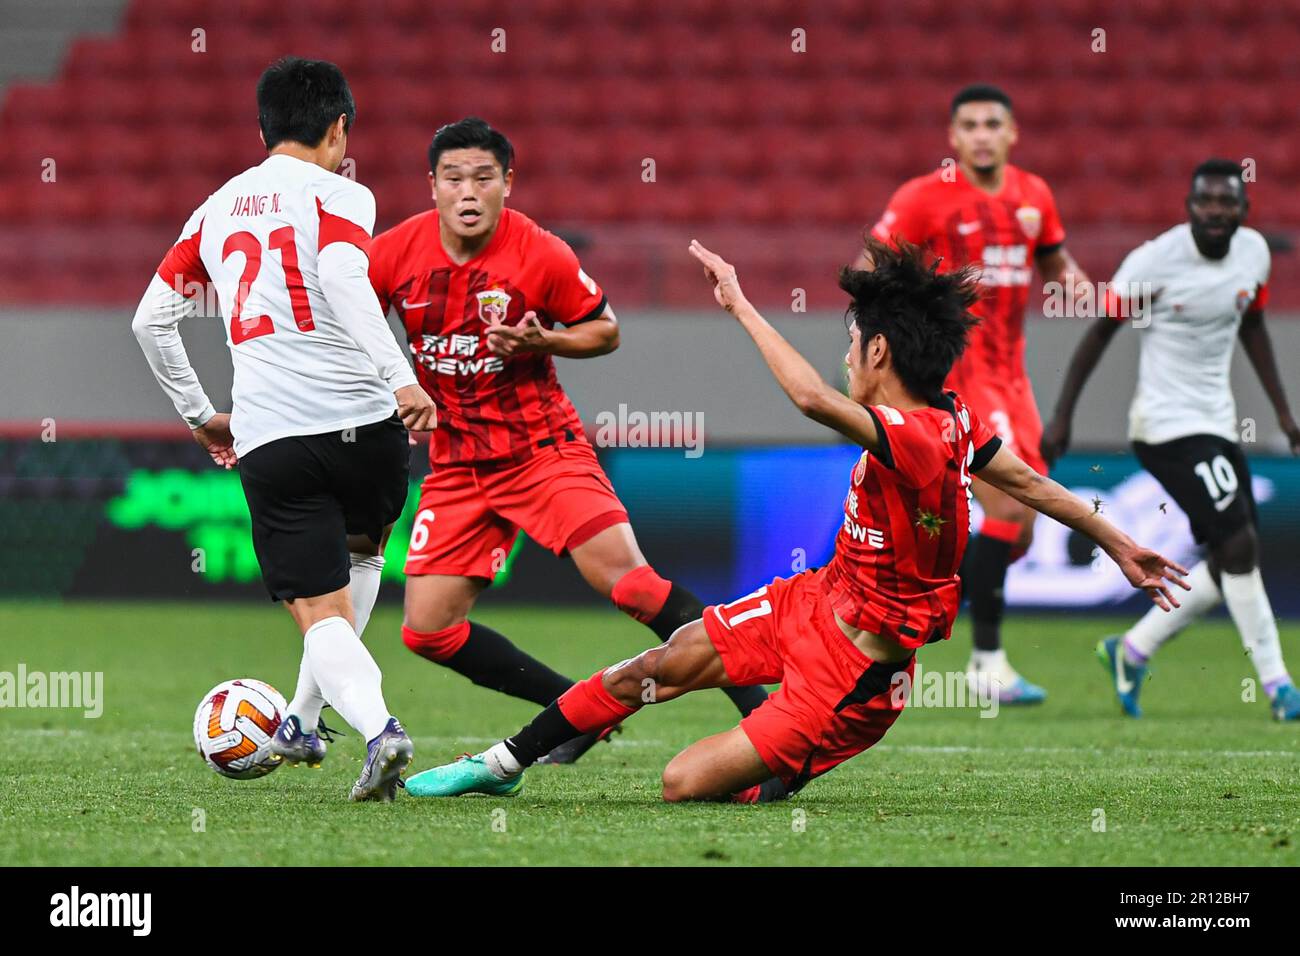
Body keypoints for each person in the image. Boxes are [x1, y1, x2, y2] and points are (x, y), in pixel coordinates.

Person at [402, 238, 1187, 802]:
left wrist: (740, 303)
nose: (846, 355)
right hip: (812, 602)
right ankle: (499, 765)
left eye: (852, 342)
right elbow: (1032, 483)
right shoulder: (954, 420)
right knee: (661, 663)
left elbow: (813, 399)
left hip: (851, 681)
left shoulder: (915, 434)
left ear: (878, 353)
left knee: (683, 784)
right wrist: (1120, 541)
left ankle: (788, 767)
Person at [364, 118, 768, 764]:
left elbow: (604, 331)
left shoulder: (540, 253)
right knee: (427, 630)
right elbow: (350, 318)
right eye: (453, 178)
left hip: (541, 451)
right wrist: (392, 385)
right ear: (432, 186)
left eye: (483, 178)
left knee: (635, 588)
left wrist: (544, 340)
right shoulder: (394, 253)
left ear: (508, 183)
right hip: (458, 463)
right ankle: (575, 712)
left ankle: (762, 709)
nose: (468, 193)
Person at [131, 57, 436, 801]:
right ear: (338, 128)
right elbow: (340, 274)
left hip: (278, 437)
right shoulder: (343, 194)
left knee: (318, 614)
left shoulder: (215, 211)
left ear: (262, 127)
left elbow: (150, 321)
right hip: (369, 428)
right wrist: (400, 379)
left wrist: (203, 416)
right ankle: (300, 720)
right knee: (362, 563)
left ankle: (381, 731)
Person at [1042, 158, 1300, 720]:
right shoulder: (1154, 261)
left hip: (1218, 423)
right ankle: (1280, 686)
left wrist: (1282, 414)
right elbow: (1099, 333)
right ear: (1189, 206)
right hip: (1164, 428)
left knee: (1234, 550)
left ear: (1242, 209)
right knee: (1241, 547)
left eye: (1226, 202)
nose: (1214, 212)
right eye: (1204, 201)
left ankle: (1131, 650)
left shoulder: (1253, 254)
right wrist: (1063, 416)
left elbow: (1251, 325)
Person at [862, 84, 1091, 704]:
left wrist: (1082, 289)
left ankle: (893, 597)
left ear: (1012, 132)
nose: (983, 134)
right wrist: (883, 350)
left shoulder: (1034, 194)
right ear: (953, 137)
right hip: (955, 379)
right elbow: (869, 269)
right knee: (1012, 510)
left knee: (1018, 532)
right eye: (970, 125)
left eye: (994, 123)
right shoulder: (921, 199)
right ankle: (986, 667)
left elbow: (1056, 262)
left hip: (1015, 380)